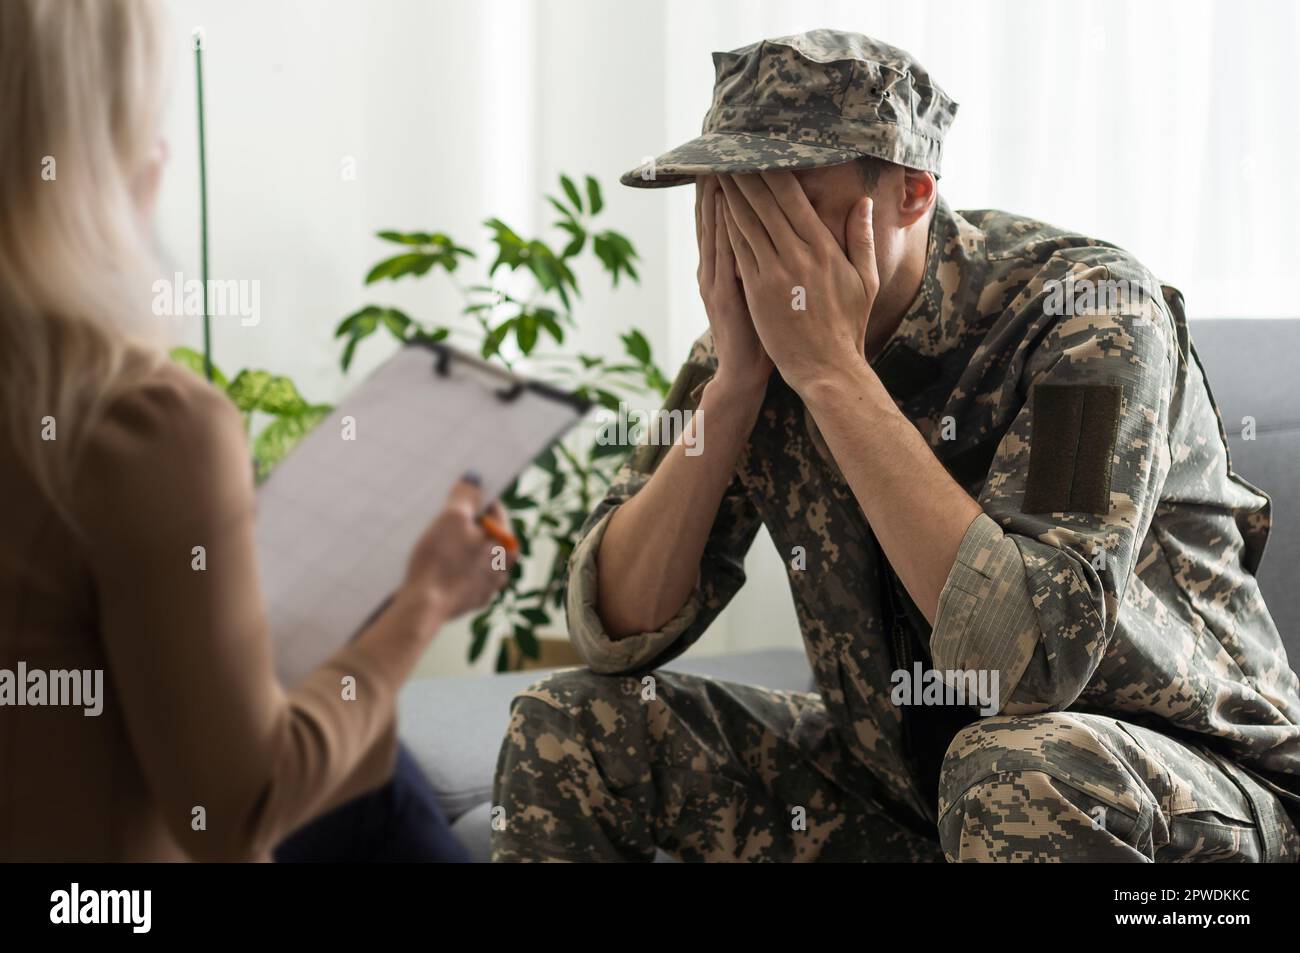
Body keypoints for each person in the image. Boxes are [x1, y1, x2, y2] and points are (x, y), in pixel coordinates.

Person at [491, 28, 1300, 862]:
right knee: (573, 724)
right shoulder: (751, 351)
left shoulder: (1091, 316)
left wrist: (835, 374)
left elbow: (1025, 669)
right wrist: (733, 389)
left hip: (1189, 802)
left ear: (913, 191)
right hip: (910, 792)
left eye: (791, 202)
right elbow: (613, 629)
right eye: (735, 202)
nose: (761, 244)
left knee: (1014, 773)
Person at [0, 0, 507, 861]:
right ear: (102, 148)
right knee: (379, 791)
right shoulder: (137, 421)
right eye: (144, 113)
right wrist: (425, 597)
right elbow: (241, 806)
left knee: (376, 774)